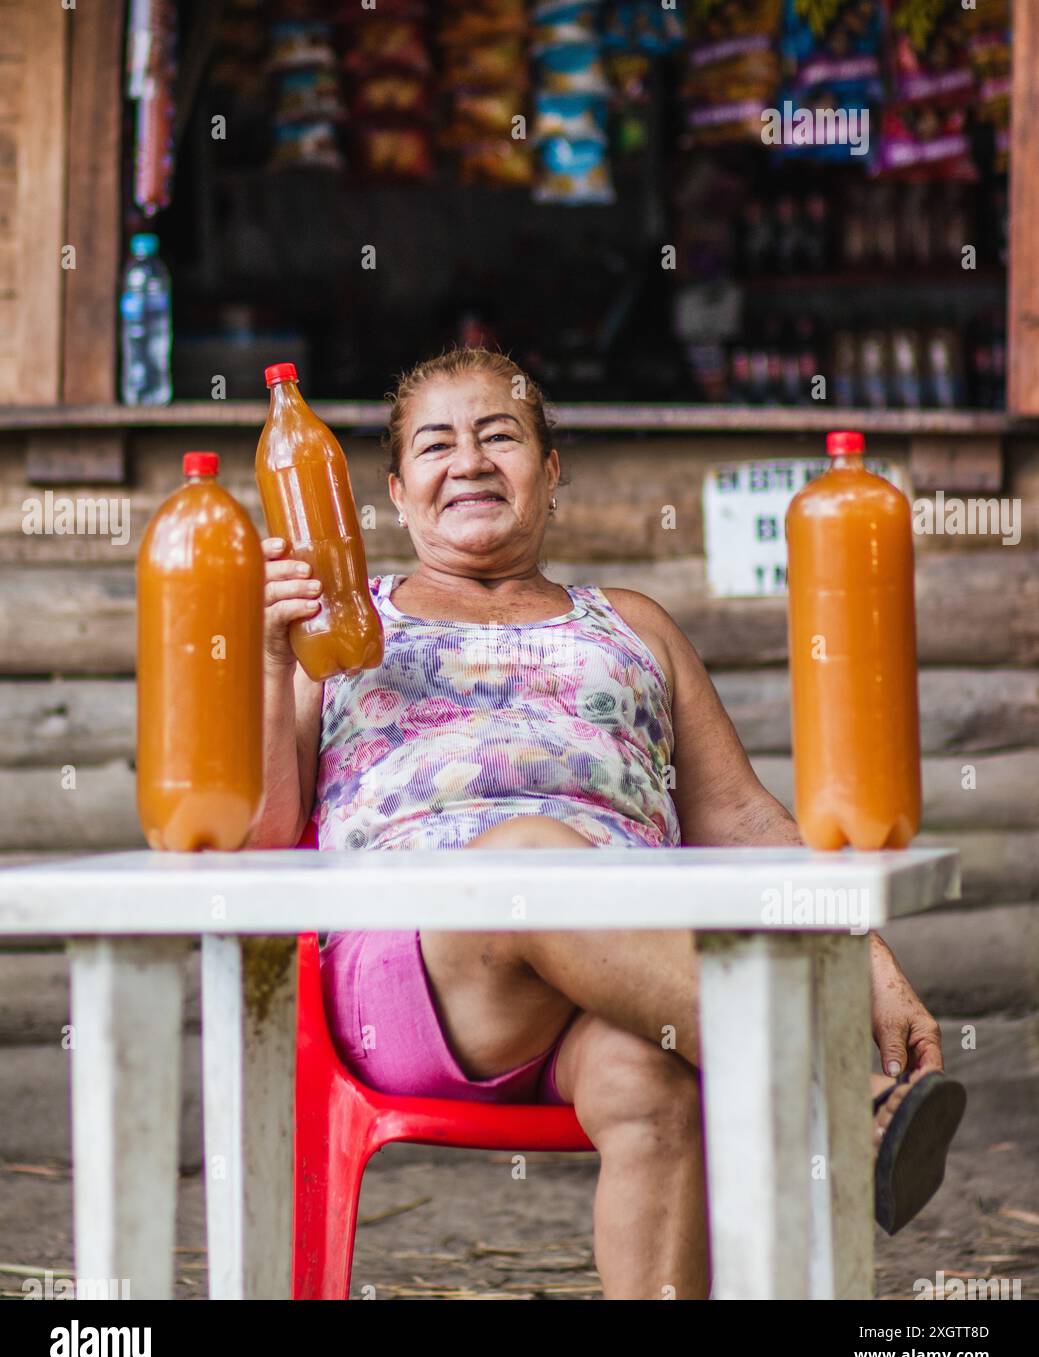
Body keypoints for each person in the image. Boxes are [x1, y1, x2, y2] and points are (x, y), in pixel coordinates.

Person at [250, 346, 966, 1299]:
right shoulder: (336, 630)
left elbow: (743, 822)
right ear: (393, 490)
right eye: (435, 444)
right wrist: (263, 664)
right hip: (416, 977)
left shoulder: (632, 624)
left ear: (549, 473)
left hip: (619, 978)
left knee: (652, 1082)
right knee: (530, 859)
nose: (467, 460)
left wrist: (866, 959)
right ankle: (835, 1089)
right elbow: (262, 841)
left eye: (499, 434)